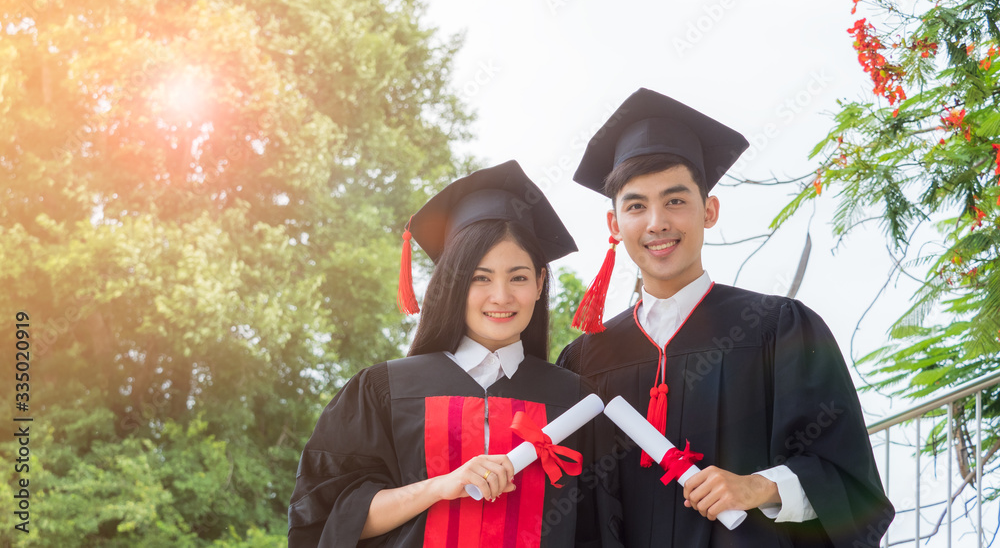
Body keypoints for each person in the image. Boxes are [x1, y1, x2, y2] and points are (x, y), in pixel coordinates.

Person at [557, 88, 894, 547]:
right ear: (615, 225)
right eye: (636, 205)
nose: (656, 222)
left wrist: (762, 487)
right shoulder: (585, 361)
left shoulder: (778, 329)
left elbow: (852, 487)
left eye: (675, 201)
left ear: (709, 210)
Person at [288, 161, 621, 547]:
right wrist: (441, 486)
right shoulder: (385, 390)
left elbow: (602, 530)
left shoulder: (575, 401)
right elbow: (329, 519)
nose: (501, 296)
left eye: (518, 277)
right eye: (479, 277)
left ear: (540, 283)